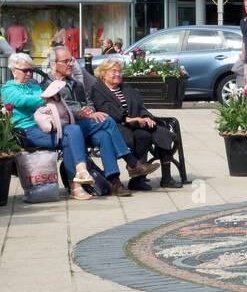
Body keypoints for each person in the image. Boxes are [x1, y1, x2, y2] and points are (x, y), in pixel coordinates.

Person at [42, 48, 160, 196]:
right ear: (54, 64)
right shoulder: (49, 83)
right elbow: (59, 106)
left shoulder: (75, 82)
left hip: (84, 123)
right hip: (67, 127)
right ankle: (132, 163)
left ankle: (114, 181)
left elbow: (88, 99)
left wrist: (90, 112)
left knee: (104, 135)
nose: (71, 64)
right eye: (66, 61)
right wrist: (81, 111)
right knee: (107, 121)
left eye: (71, 60)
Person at [4, 54, 97, 200]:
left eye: (31, 70)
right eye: (25, 70)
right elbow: (22, 101)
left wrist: (48, 97)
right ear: (13, 71)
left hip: (45, 125)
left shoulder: (34, 86)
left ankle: (81, 170)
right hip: (26, 131)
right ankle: (76, 186)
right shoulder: (8, 88)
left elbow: (46, 100)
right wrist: (46, 97)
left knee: (74, 129)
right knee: (69, 140)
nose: (29, 73)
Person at [90, 59, 182, 190]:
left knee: (160, 133)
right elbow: (105, 109)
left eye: (119, 71)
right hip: (117, 125)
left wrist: (145, 117)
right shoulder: (98, 89)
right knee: (141, 136)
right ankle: (136, 174)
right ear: (103, 74)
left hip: (136, 124)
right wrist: (130, 119)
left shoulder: (126, 88)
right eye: (113, 71)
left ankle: (164, 178)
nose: (118, 74)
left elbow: (140, 107)